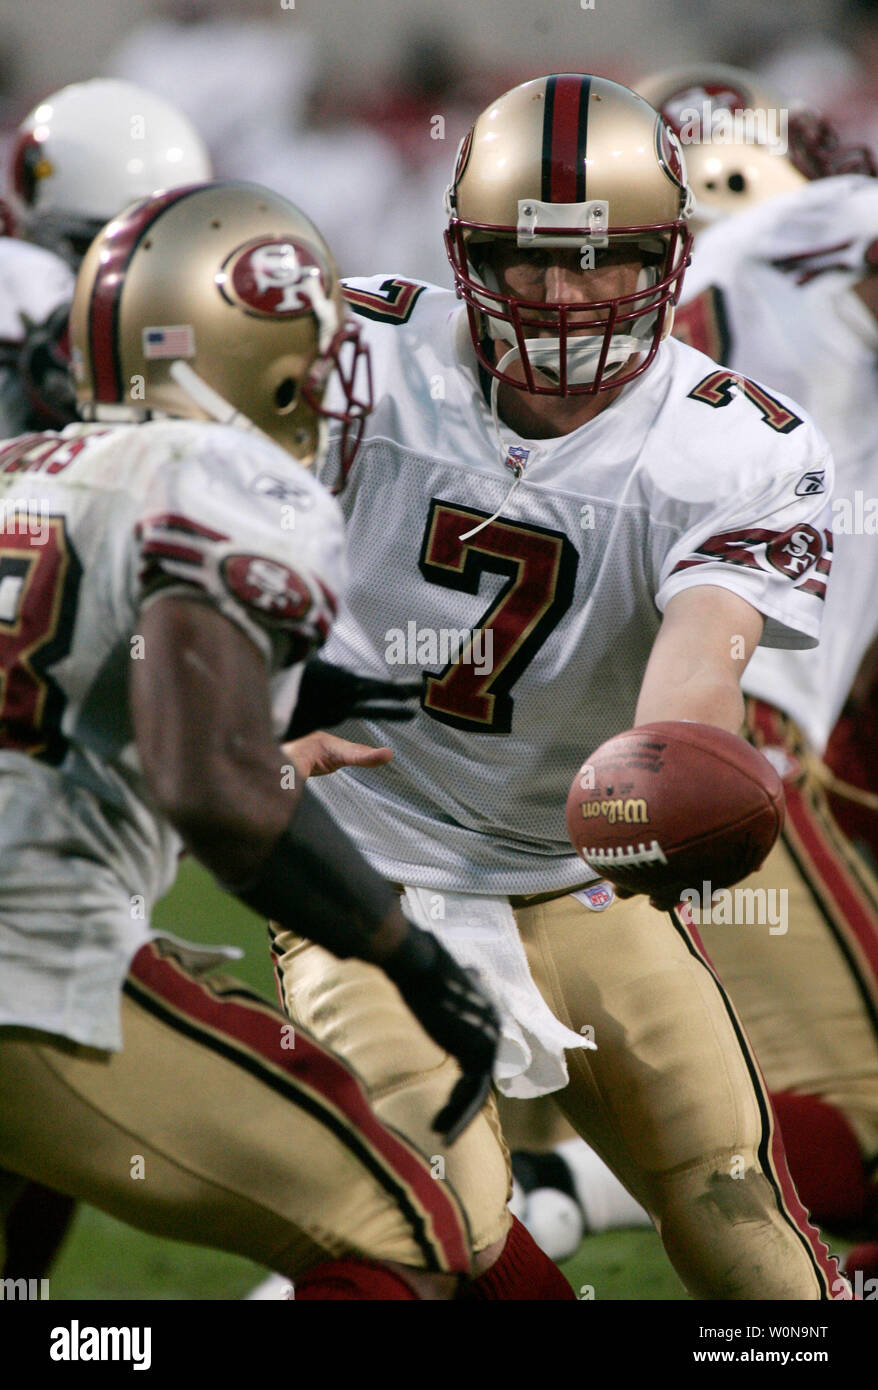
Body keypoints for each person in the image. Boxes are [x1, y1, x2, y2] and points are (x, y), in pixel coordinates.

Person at [270, 72, 850, 1299]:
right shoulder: (355, 353)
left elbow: (693, 674)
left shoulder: (732, 443)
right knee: (445, 1226)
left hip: (582, 880)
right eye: (524, 262)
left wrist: (665, 782)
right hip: (367, 865)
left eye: (607, 260)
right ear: (460, 253)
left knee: (741, 1220)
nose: (563, 298)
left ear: (671, 257)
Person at [0, 179, 503, 1301]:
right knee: (402, 1231)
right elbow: (212, 782)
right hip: (28, 968)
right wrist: (408, 958)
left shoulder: (22, 465)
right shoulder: (222, 477)